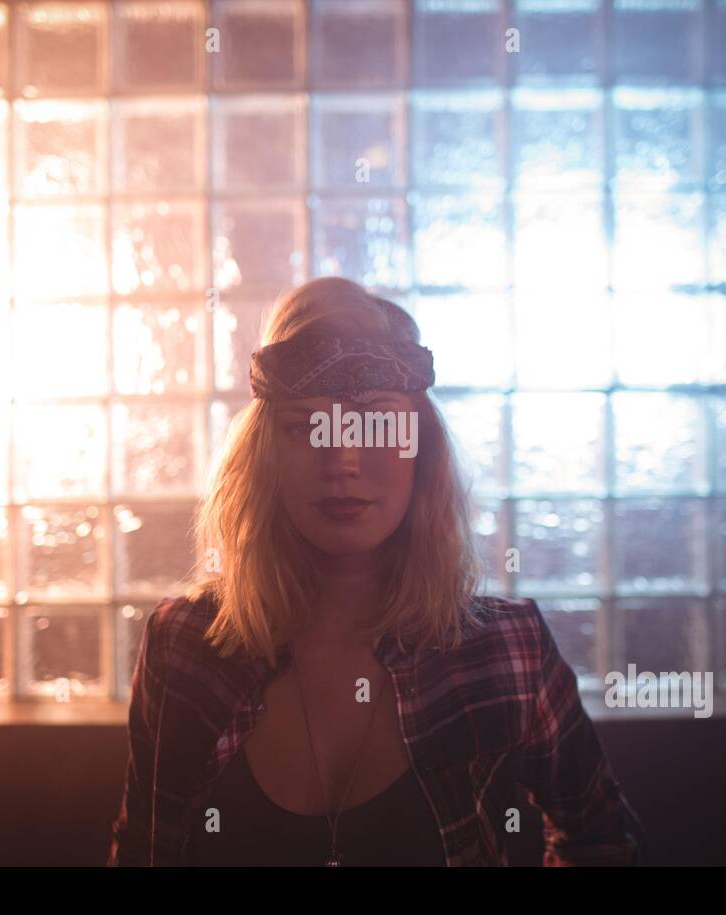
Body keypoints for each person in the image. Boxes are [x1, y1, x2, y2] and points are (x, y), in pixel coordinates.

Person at [108, 276, 644, 866]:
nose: (342, 459)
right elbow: (144, 851)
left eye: (379, 423)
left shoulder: (507, 649)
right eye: (307, 425)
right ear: (266, 454)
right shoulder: (184, 645)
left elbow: (600, 839)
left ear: (423, 448)